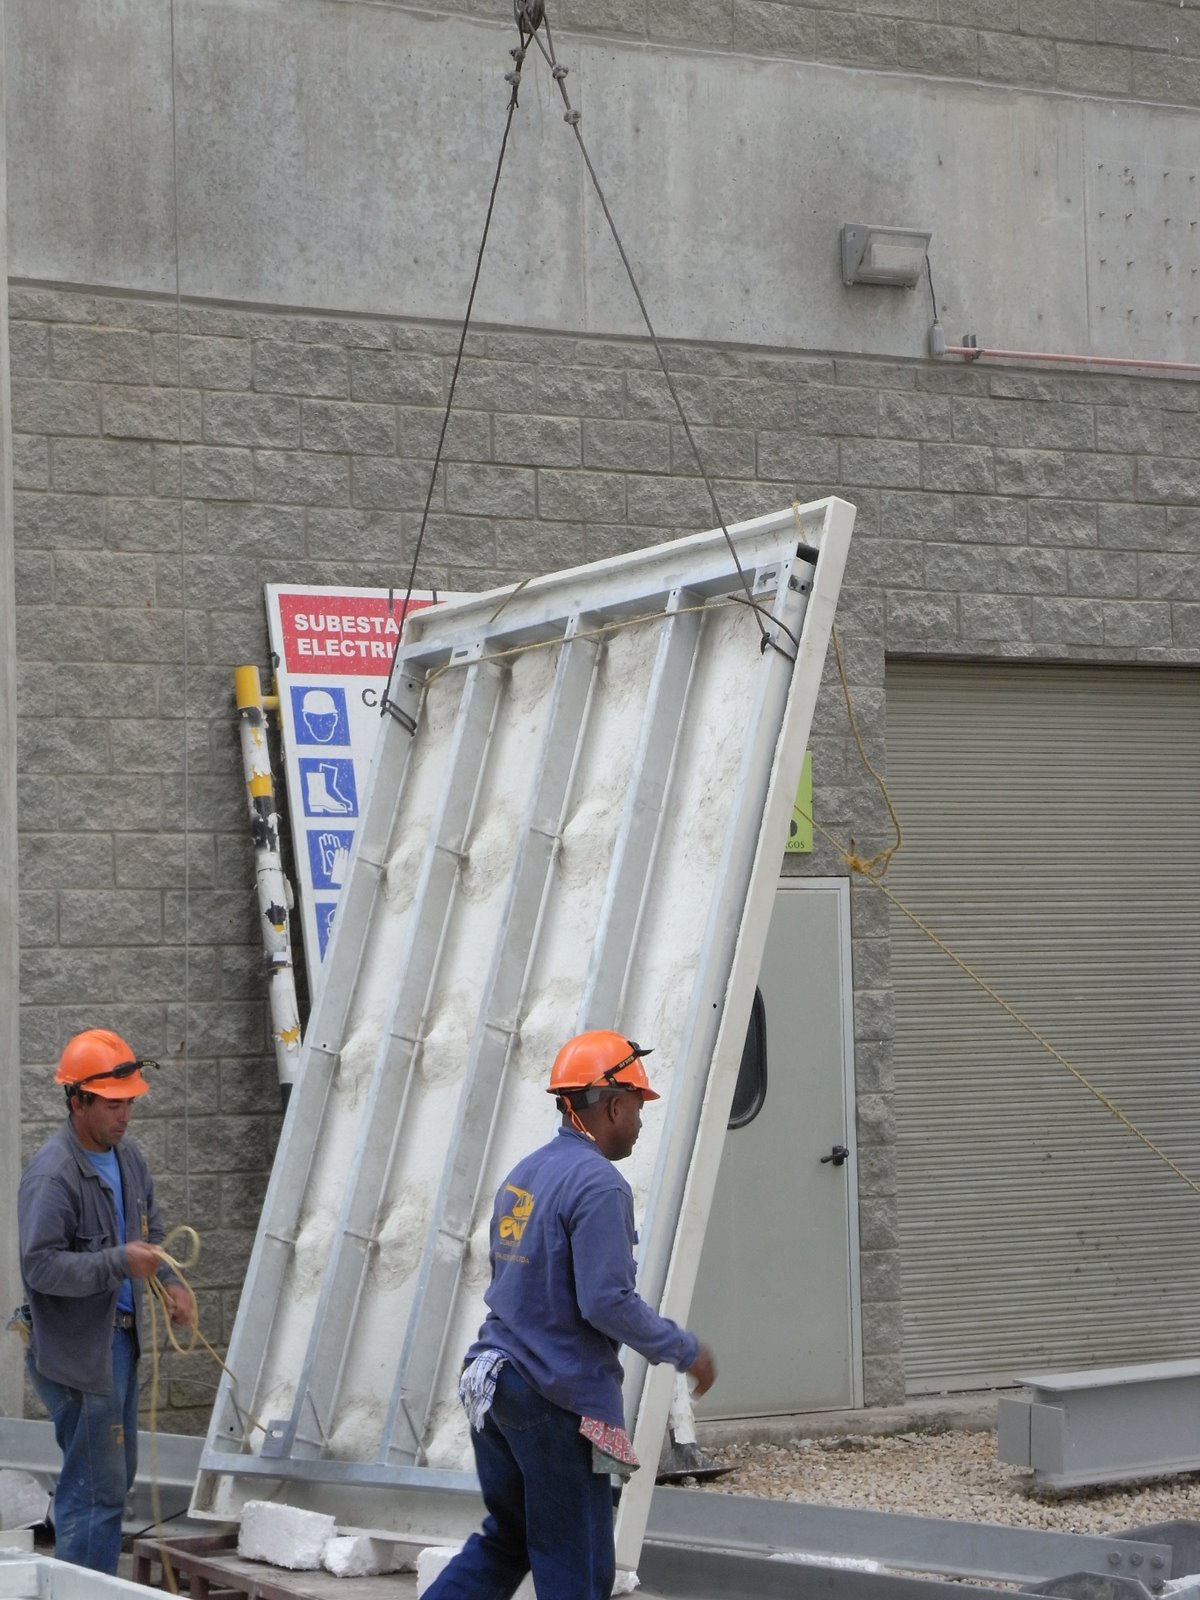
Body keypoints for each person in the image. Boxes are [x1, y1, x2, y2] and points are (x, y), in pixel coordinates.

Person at [426, 1029, 717, 1600]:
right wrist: (684, 1350)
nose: (640, 1121)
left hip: (494, 1382)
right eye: (637, 1107)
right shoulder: (600, 1185)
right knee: (576, 1566)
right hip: (552, 1397)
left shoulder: (525, 1175)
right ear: (612, 1106)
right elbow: (606, 1302)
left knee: (509, 1542)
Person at [16, 1028, 194, 1574]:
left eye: (130, 1103)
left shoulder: (127, 1157)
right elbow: (40, 1267)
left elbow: (150, 1229)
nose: (125, 1116)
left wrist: (170, 1283)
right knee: (95, 1490)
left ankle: (89, 1584)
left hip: (119, 1343)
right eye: (113, 1105)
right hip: (79, 1353)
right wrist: (119, 1262)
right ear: (78, 1101)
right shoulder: (54, 1174)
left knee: (111, 1482)